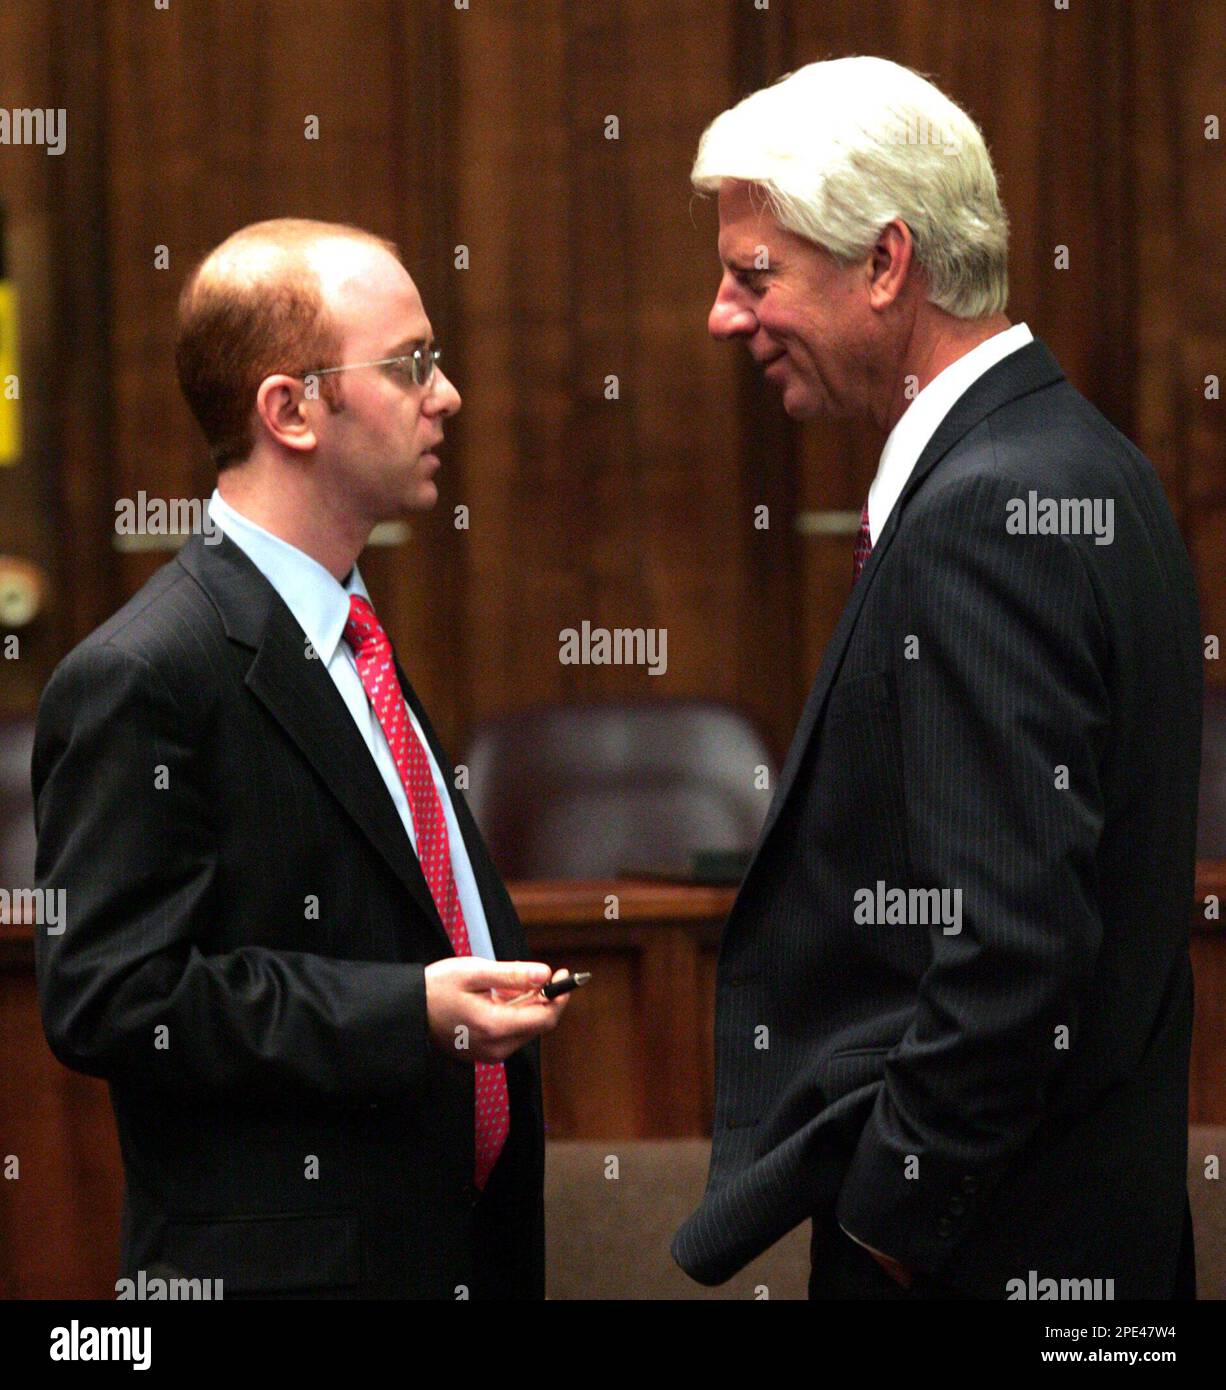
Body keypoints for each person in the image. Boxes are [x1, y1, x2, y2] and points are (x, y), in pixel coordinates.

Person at [672, 57, 1202, 1300]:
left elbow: (1010, 944)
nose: (719, 314)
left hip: (985, 1255)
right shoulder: (1080, 456)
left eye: (755, 274)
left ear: (883, 263)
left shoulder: (984, 511)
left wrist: (888, 1220)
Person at [33, 218, 570, 1299]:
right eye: (412, 362)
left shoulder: (351, 631)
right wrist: (405, 1011)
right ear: (289, 410)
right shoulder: (146, 671)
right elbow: (112, 996)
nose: (447, 392)